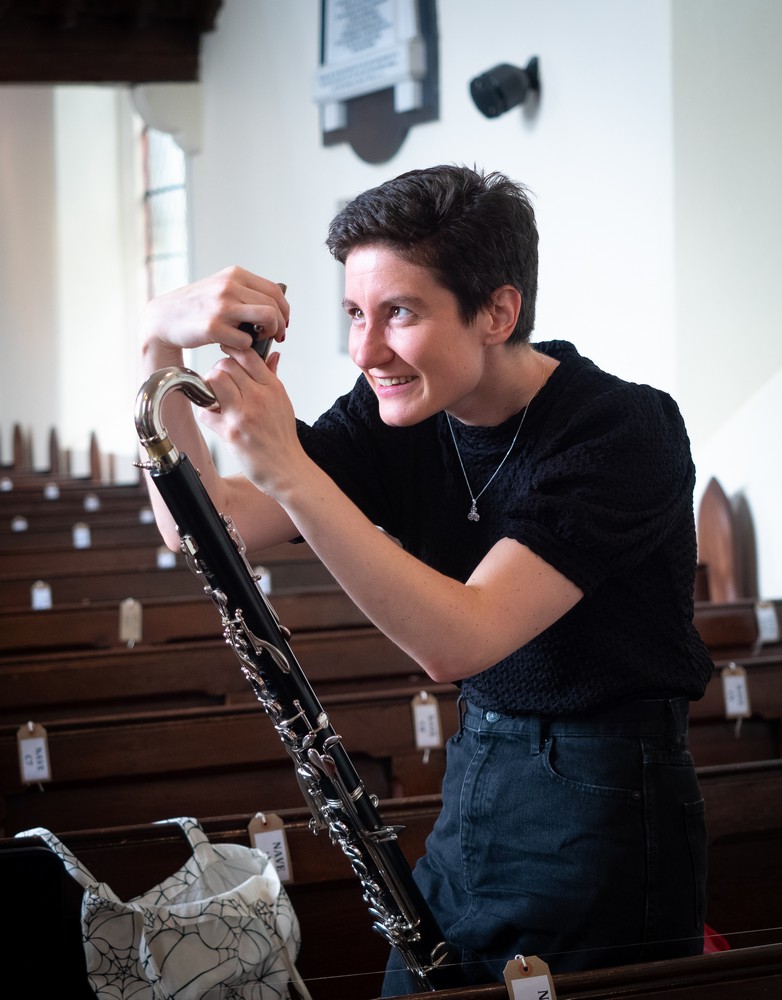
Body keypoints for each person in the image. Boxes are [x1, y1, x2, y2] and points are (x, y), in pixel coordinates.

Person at [139, 164, 713, 995]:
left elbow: (461, 640)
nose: (365, 351)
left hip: (608, 804)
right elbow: (201, 529)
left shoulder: (622, 430)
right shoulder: (402, 409)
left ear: (498, 313)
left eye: (398, 313)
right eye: (353, 315)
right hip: (477, 772)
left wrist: (291, 471)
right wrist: (156, 342)